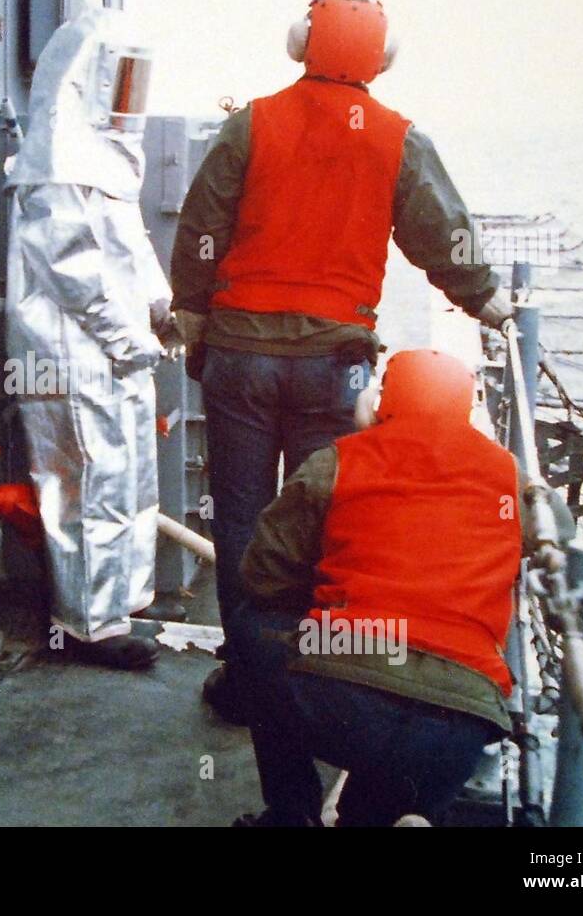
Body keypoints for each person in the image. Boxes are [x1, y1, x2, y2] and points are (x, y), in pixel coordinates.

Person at [168, 0, 514, 717]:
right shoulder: (397, 139)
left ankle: (250, 681)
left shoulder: (250, 125)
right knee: (327, 516)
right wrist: (486, 297)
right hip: (336, 365)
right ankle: (311, 682)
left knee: (241, 520)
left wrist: (193, 307)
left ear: (301, 42)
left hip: (239, 357)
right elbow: (441, 237)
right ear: (382, 60)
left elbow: (202, 228)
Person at [228, 349, 524, 826]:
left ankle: (291, 814)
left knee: (253, 628)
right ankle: (404, 814)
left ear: (378, 401)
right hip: (464, 716)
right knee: (380, 808)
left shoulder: (339, 461)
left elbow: (262, 576)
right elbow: (561, 529)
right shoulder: (508, 475)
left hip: (345, 694)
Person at [5, 8, 180, 669]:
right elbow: (72, 267)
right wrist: (127, 337)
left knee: (131, 473)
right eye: (121, 79)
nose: (129, 96)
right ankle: (85, 624)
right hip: (73, 351)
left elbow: (129, 246)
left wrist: (161, 306)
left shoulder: (102, 161)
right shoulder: (55, 166)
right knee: (89, 477)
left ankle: (123, 599)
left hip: (117, 347)